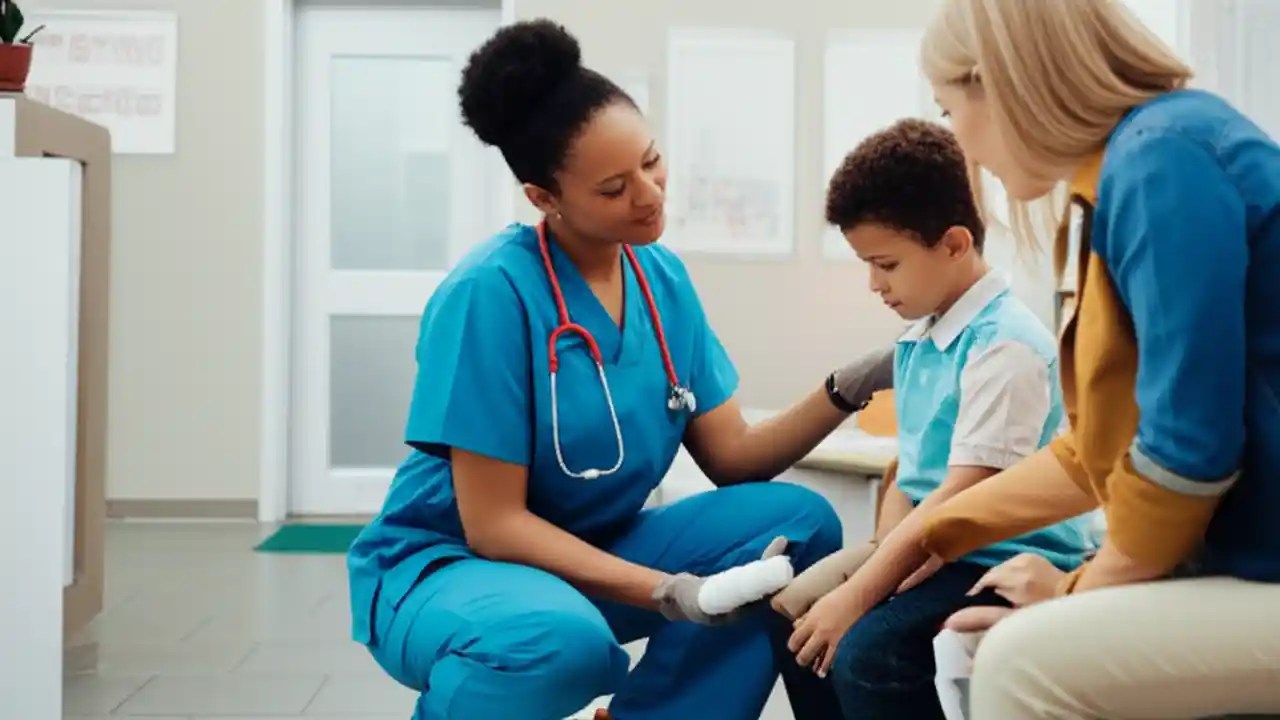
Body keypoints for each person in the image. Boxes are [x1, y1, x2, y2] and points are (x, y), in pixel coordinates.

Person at [345, 19, 892, 720]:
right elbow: (494, 526)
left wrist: (849, 385)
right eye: (613, 187)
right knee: (558, 643)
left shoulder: (660, 278)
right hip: (448, 569)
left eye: (651, 160)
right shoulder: (489, 293)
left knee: (799, 524)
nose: (650, 194)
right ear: (543, 197)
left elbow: (733, 457)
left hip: (587, 546)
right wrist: (666, 591)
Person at [908, 1, 1280, 717]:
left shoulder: (1159, 162)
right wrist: (931, 532)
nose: (958, 142)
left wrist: (1074, 589)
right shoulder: (1147, 156)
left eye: (948, 109)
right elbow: (1098, 450)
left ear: (996, 82)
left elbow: (1187, 457)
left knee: (1018, 664)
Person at [781, 119, 1095, 719]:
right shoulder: (923, 336)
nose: (875, 284)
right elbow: (913, 467)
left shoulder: (1005, 346)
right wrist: (874, 555)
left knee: (867, 654)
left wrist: (858, 595)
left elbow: (962, 497)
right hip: (934, 543)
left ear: (953, 244)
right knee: (794, 623)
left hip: (994, 550)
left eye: (886, 265)